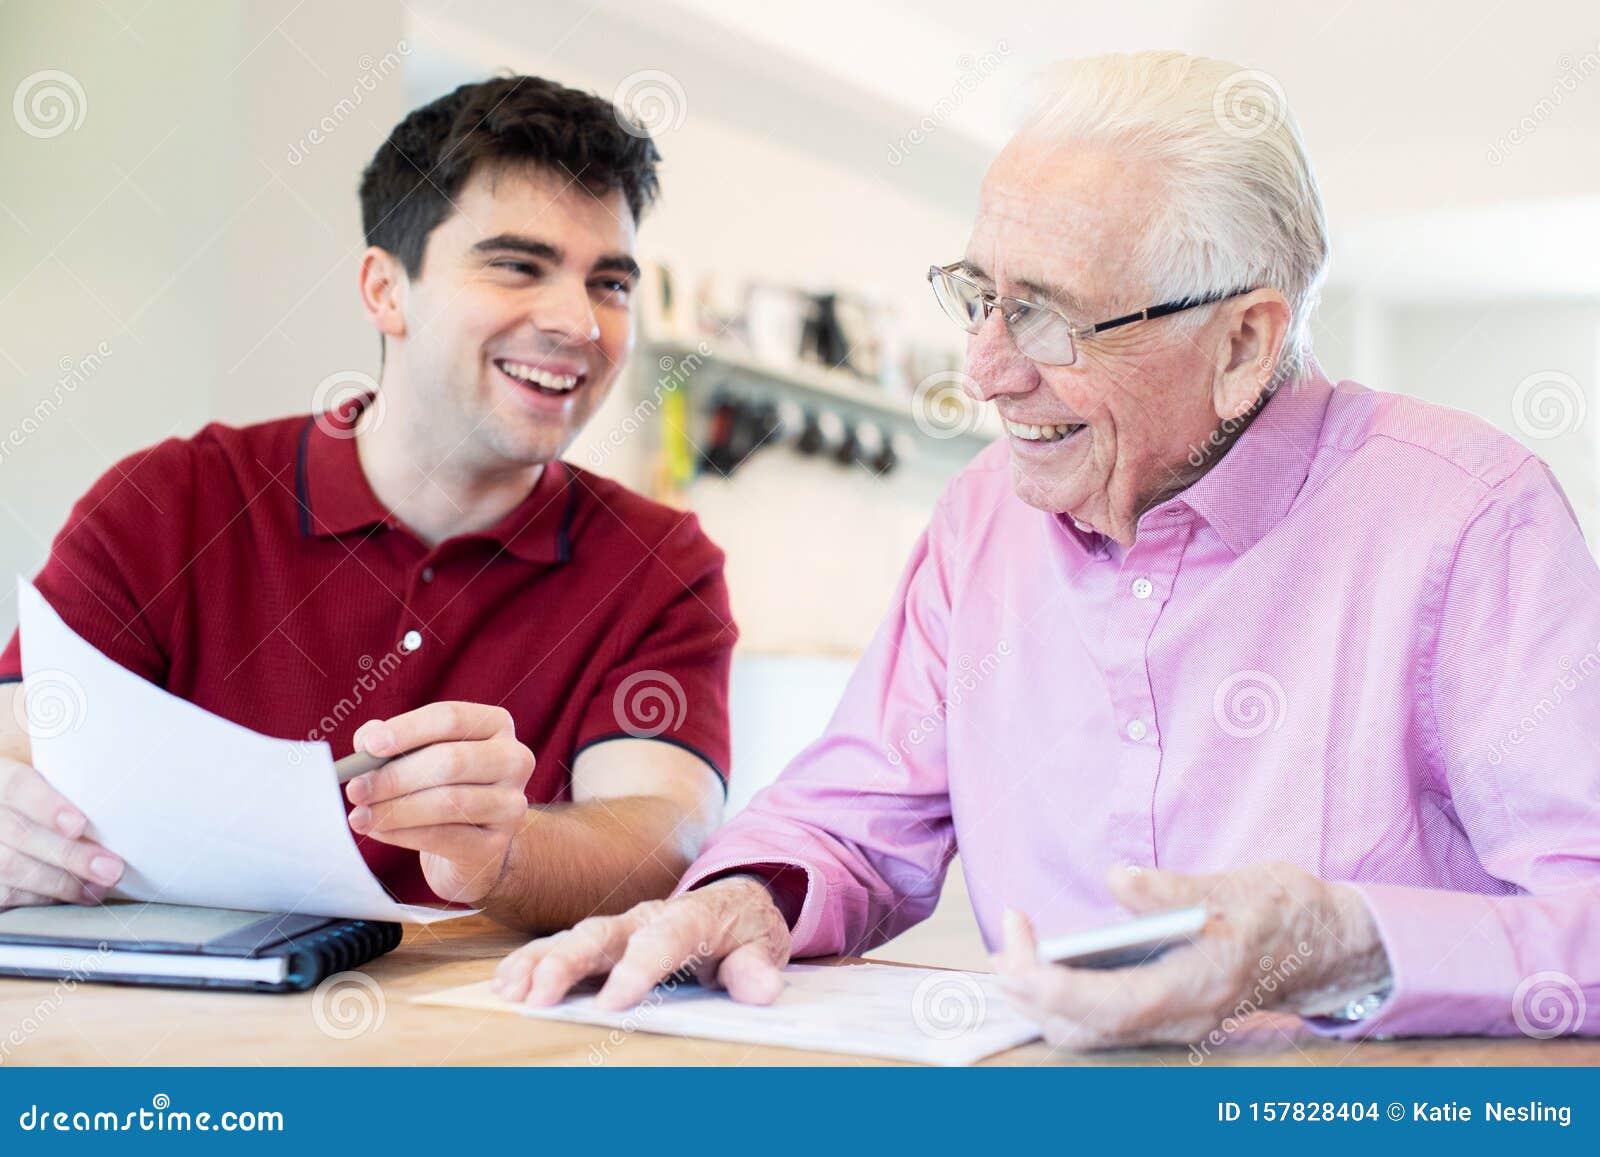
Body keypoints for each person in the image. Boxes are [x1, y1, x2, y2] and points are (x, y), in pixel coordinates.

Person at [493, 51, 1599, 1044]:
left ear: (1245, 340)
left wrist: (1346, 946)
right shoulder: (982, 517)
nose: (982, 369)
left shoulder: (1471, 517)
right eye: (979, 295)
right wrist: (741, 896)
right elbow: (850, 819)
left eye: (1045, 316)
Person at [0, 76, 736, 932]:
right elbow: (21, 751)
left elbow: (666, 833)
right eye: (517, 266)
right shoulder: (167, 504)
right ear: (386, 291)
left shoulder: (660, 565)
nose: (579, 322)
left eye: (609, 283)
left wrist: (506, 851)